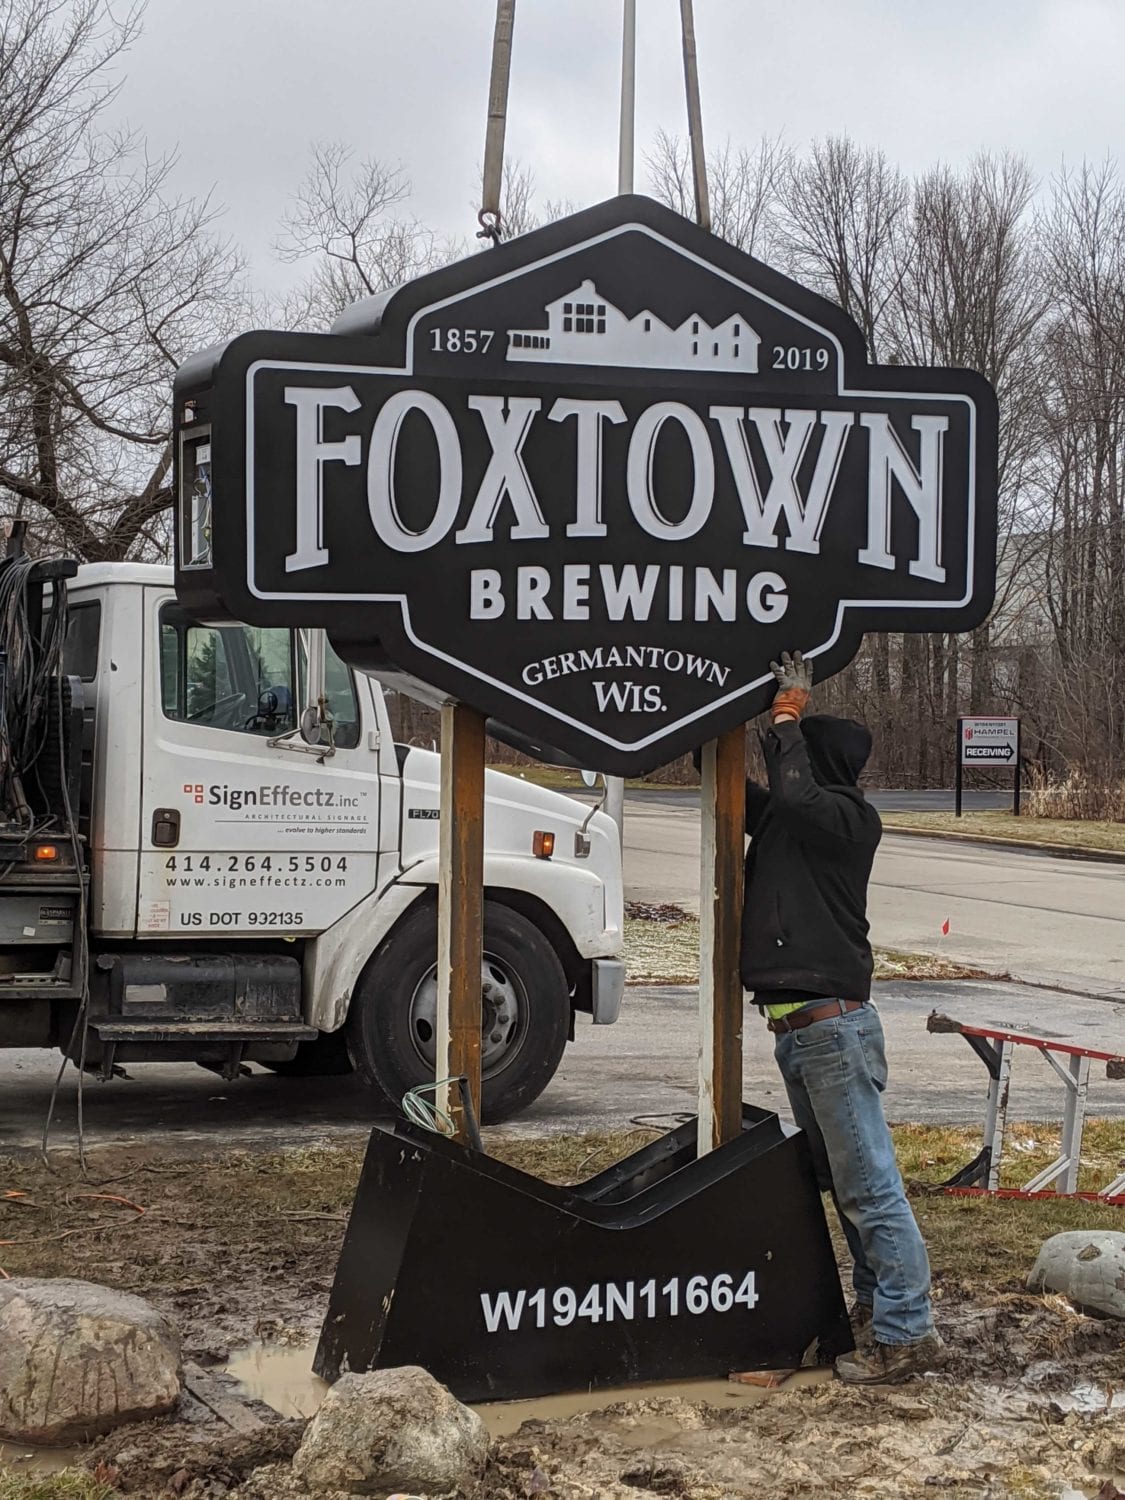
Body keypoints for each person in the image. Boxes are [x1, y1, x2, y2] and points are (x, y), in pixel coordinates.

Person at [742, 649, 942, 1384]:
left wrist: (786, 713)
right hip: (800, 1032)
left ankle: (907, 1332)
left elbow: (791, 793)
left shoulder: (847, 821)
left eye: (801, 748)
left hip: (831, 1029)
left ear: (822, 762)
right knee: (842, 1178)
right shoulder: (795, 824)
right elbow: (742, 793)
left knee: (867, 1183)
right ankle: (875, 1312)